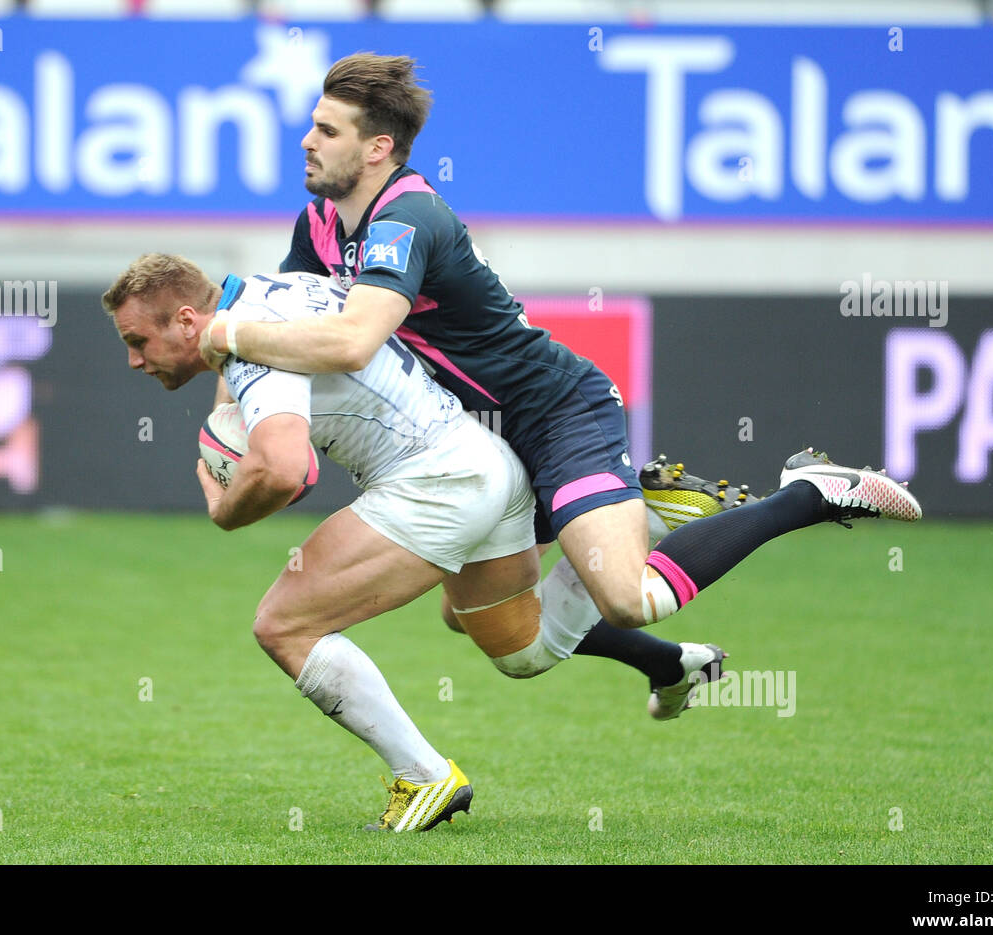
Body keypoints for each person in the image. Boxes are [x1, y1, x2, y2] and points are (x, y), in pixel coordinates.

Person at [199, 54, 921, 701]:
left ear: (378, 146)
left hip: (556, 412)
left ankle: (808, 493)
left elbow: (352, 341)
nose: (307, 140)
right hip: (478, 440)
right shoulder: (321, 224)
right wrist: (233, 398)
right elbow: (284, 323)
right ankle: (666, 652)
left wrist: (222, 333)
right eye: (312, 126)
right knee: (491, 631)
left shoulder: (406, 219)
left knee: (628, 597)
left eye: (327, 129)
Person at [102, 254, 726, 831]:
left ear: (188, 320)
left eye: (138, 341)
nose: (134, 360)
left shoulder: (254, 352)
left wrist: (224, 507)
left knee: (283, 626)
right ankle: (642, 521)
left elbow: (283, 470)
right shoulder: (275, 289)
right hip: (486, 462)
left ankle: (424, 777)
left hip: (432, 483)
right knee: (521, 650)